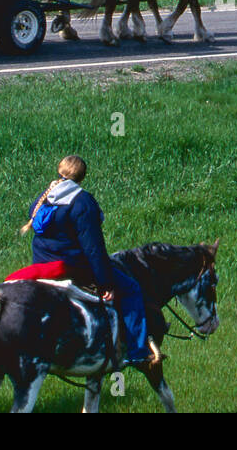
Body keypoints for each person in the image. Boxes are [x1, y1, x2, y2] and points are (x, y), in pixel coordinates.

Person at [20, 155, 156, 369]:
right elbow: (93, 249)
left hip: (41, 264)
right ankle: (137, 353)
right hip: (72, 266)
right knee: (131, 289)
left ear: (59, 171)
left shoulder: (42, 198)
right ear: (82, 177)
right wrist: (105, 283)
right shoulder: (82, 201)